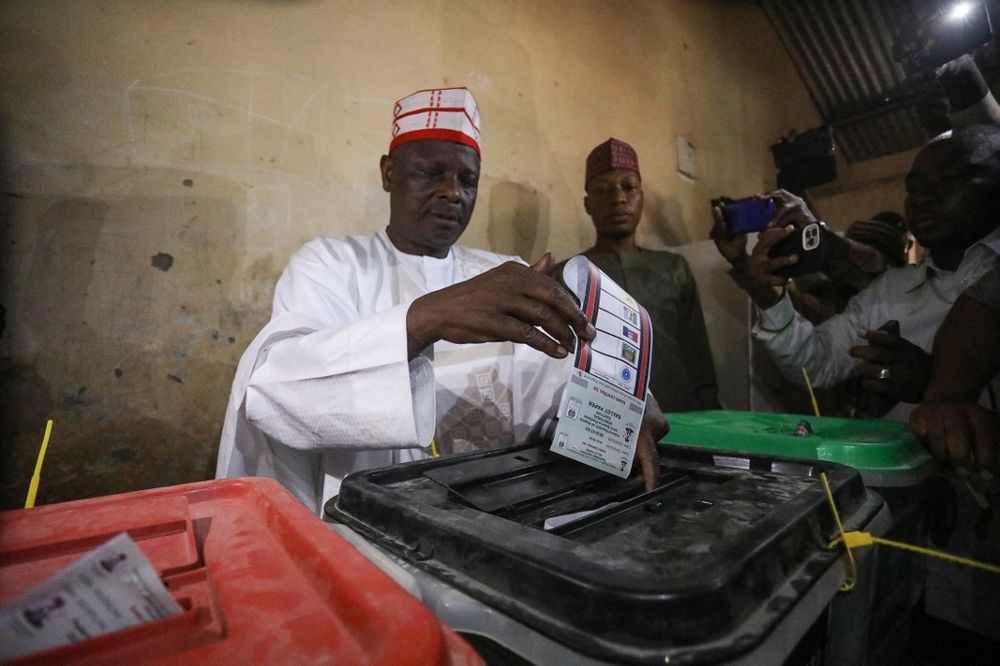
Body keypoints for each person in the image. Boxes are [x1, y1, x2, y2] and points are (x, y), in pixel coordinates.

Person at [216, 88, 664, 514]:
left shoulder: (502, 271)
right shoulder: (331, 263)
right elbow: (274, 386)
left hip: (501, 520)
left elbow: (547, 385)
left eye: (467, 179)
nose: (453, 192)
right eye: (431, 173)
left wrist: (614, 404)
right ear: (389, 172)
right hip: (371, 534)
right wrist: (428, 318)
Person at [712, 124, 1000, 422]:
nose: (922, 198)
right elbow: (815, 364)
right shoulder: (891, 289)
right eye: (913, 188)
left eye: (949, 179)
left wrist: (938, 386)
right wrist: (768, 294)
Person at [555, 138, 720, 412]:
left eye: (628, 187)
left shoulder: (673, 268)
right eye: (603, 190)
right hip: (597, 421)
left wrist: (710, 414)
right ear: (587, 204)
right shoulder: (567, 273)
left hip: (679, 416)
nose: (618, 198)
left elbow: (698, 359)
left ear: (641, 196)